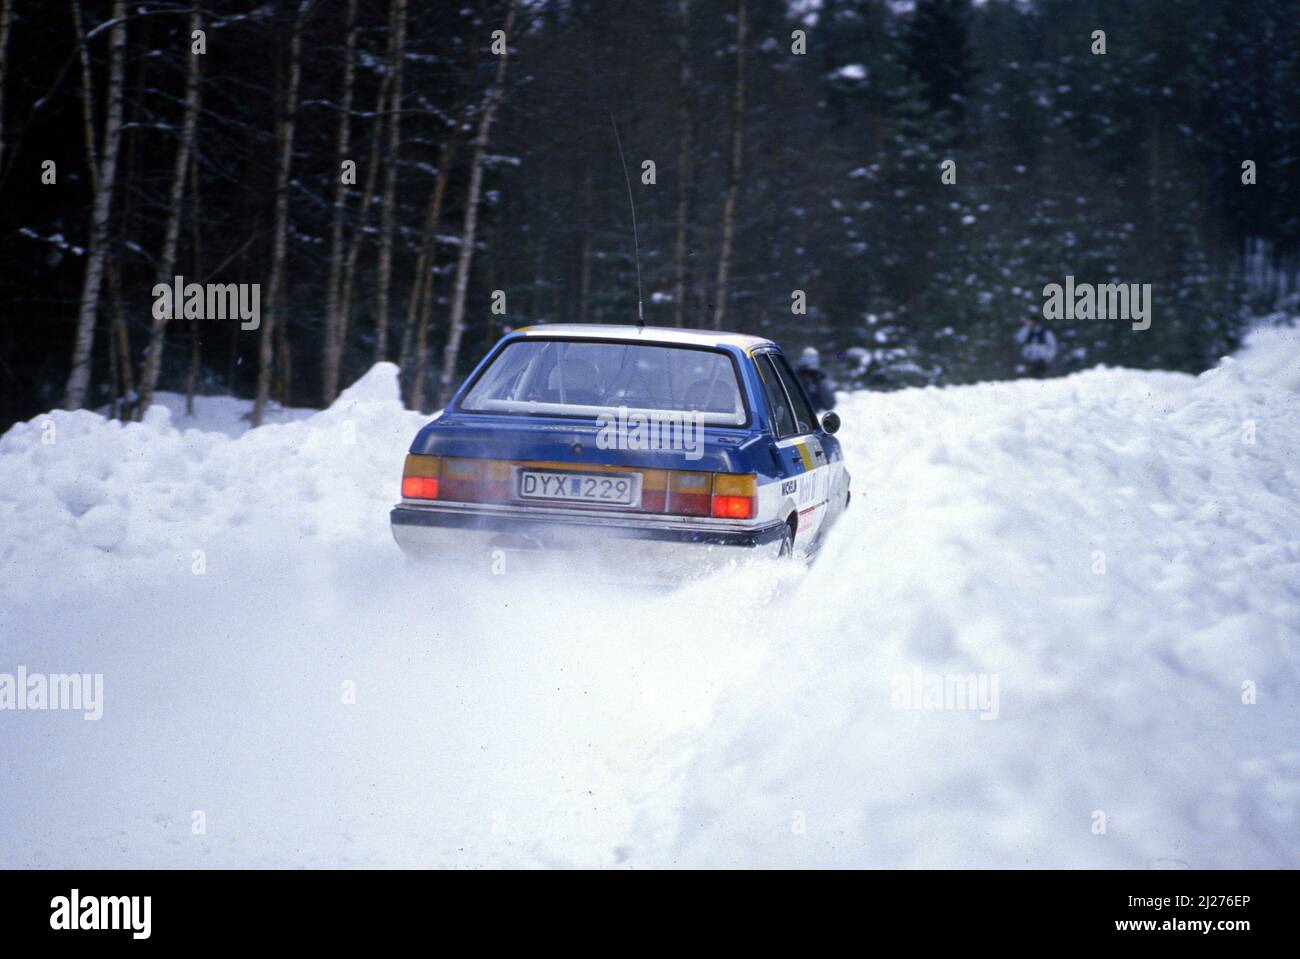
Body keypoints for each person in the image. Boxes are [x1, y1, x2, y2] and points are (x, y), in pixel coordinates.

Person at [795, 347, 836, 411]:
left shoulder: (818, 380)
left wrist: (819, 385)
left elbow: (829, 404)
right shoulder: (794, 379)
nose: (807, 376)